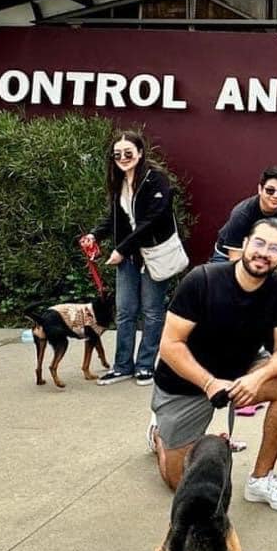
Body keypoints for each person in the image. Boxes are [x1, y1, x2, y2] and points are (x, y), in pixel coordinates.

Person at [148, 218, 277, 512]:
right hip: (187, 382)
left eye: (274, 248)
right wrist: (208, 383)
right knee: (180, 483)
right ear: (244, 244)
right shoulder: (202, 280)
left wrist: (258, 379)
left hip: (238, 374)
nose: (263, 253)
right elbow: (169, 346)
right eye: (259, 243)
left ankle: (261, 479)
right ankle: (158, 437)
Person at [83, 130, 180, 388]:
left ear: (140, 152)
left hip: (153, 254)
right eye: (117, 154)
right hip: (127, 256)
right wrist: (95, 234)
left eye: (128, 153)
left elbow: (152, 221)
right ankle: (122, 366)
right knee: (125, 311)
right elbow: (115, 216)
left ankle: (146, 365)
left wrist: (122, 249)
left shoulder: (156, 180)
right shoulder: (119, 182)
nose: (123, 158)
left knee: (152, 311)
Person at [209, 166, 277, 275]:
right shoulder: (242, 214)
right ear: (260, 189)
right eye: (270, 190)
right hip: (227, 257)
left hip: (264, 257)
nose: (275, 195)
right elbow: (235, 258)